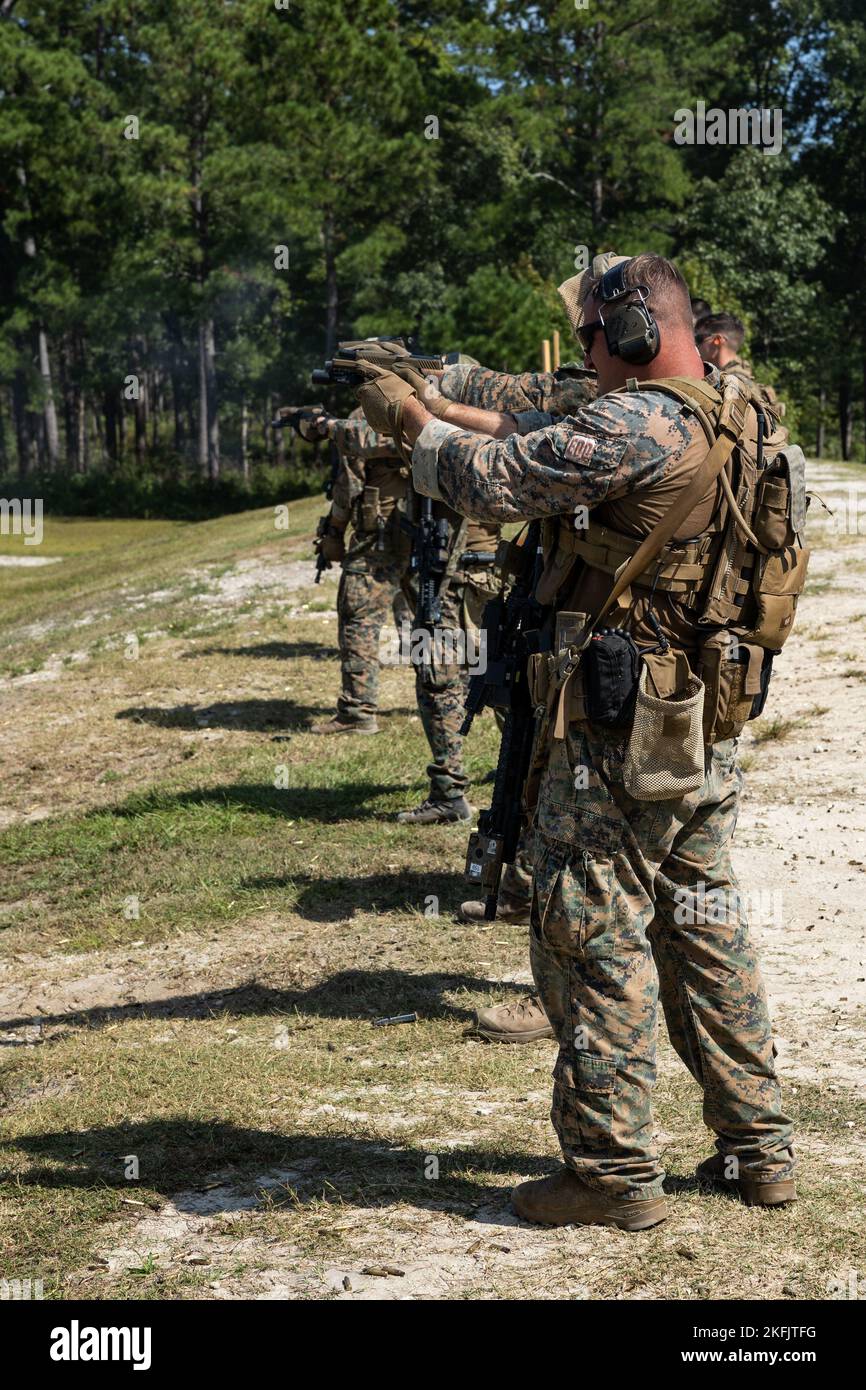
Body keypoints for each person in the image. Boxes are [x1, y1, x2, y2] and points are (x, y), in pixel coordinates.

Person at [357, 253, 800, 1229]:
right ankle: (757, 1149)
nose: (589, 357)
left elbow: (492, 479)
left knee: (591, 935)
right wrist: (445, 380)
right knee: (705, 932)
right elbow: (537, 409)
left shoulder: (638, 422)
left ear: (638, 332)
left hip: (618, 731)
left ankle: (608, 1173)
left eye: (598, 340)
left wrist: (410, 421)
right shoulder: (736, 403)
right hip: (701, 718)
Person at [304, 407, 501, 824]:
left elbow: (359, 451)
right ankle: (498, 782)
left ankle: (453, 791)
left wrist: (327, 427)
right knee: (492, 673)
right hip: (462, 564)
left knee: (443, 676)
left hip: (453, 568)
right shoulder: (491, 422)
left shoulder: (427, 422)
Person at [695, 311, 782, 412]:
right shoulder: (735, 378)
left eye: (699, 338)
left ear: (717, 340)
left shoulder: (732, 384)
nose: (696, 344)